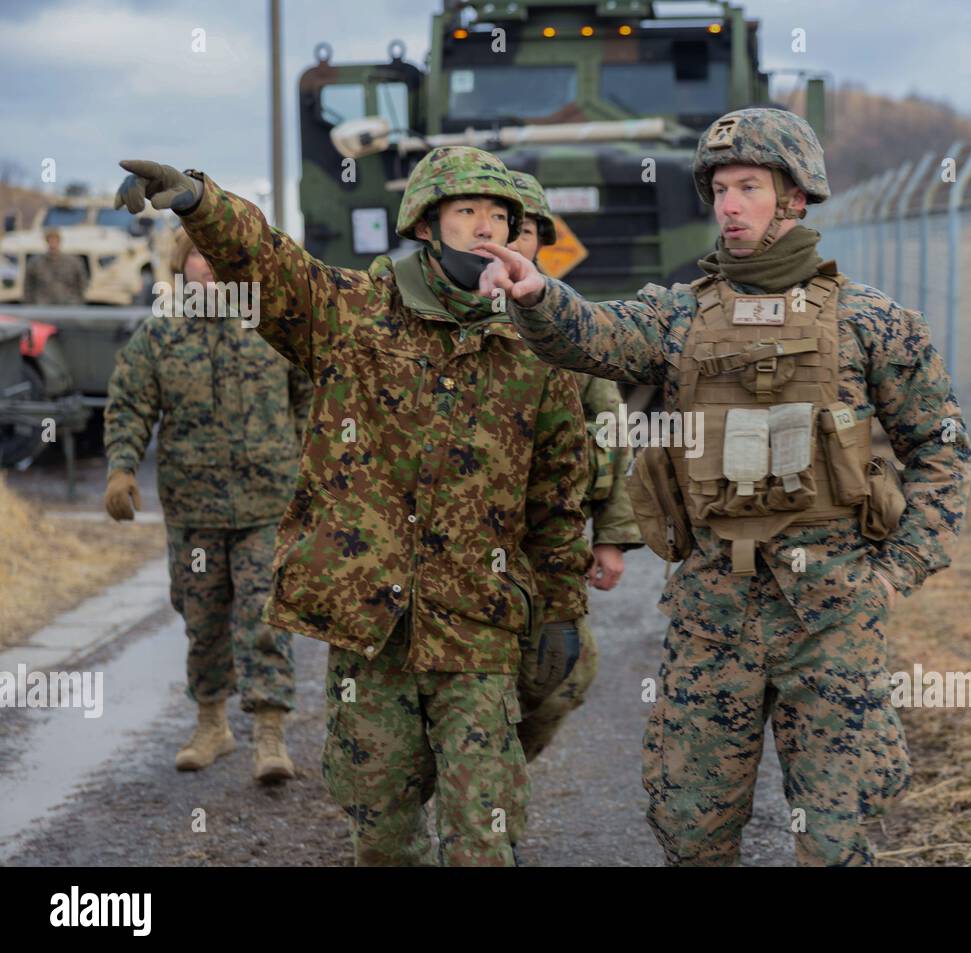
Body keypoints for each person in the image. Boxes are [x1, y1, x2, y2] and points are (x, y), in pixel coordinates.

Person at [477, 108, 971, 866]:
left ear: (796, 197)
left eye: (750, 186)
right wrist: (537, 293)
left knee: (835, 843)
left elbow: (940, 452)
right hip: (713, 616)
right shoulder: (678, 316)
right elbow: (594, 337)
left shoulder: (875, 323)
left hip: (834, 617)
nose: (730, 205)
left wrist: (895, 574)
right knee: (693, 835)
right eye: (719, 189)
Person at [112, 148, 591, 867]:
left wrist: (560, 608)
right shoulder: (355, 314)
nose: (487, 228)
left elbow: (558, 494)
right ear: (427, 225)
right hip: (372, 631)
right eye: (468, 213)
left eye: (501, 217)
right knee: (384, 833)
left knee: (482, 837)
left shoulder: (532, 342)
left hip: (480, 633)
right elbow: (268, 267)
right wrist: (198, 203)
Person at [104, 229, 309, 783]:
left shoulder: (274, 328)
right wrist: (122, 468)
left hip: (267, 502)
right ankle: (212, 725)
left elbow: (309, 403)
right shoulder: (160, 335)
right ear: (181, 266)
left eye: (218, 254)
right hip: (193, 507)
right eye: (196, 255)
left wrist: (313, 476)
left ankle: (270, 735)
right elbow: (129, 404)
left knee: (264, 615)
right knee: (202, 616)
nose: (208, 266)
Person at [506, 171, 643, 761]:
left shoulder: (562, 319)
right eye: (501, 226)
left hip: (550, 544)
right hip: (460, 547)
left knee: (565, 677)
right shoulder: (436, 317)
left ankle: (499, 767)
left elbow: (610, 431)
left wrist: (612, 537)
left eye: (528, 229)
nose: (515, 239)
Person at [23, 228, 88, 304]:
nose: (53, 243)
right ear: (47, 241)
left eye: (55, 240)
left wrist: (78, 302)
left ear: (59, 241)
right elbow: (28, 285)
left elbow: (81, 283)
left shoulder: (72, 263)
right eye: (50, 240)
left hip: (68, 304)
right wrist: (30, 303)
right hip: (43, 305)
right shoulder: (36, 263)